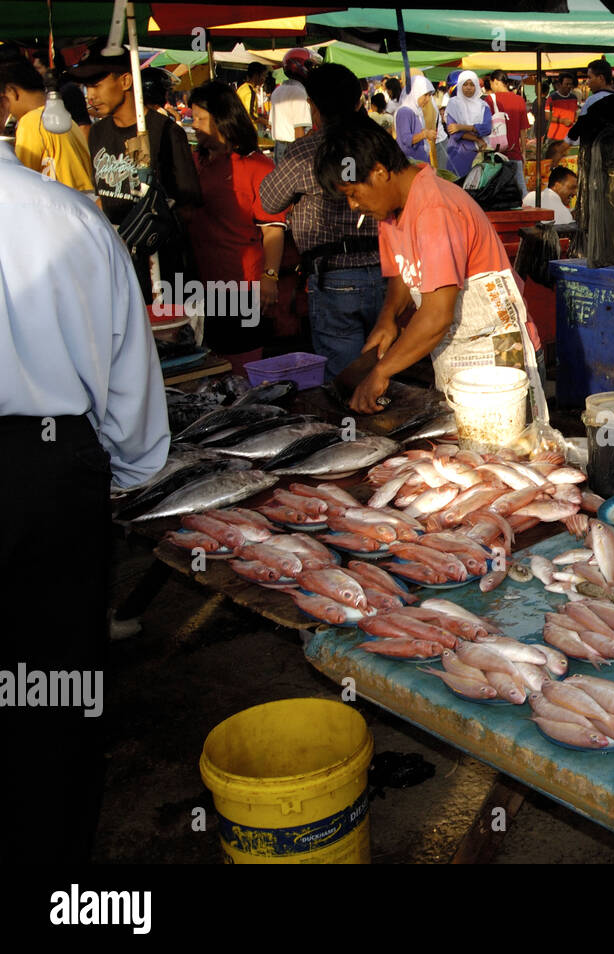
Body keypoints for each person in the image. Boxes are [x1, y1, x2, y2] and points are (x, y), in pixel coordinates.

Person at [0, 84, 169, 863]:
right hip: (46, 478)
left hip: (46, 467)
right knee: (52, 698)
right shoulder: (68, 218)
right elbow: (129, 376)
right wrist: (132, 465)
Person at [313, 119, 541, 415]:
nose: (353, 206)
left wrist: (381, 372)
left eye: (353, 193)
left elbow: (436, 316)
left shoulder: (435, 208)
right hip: (455, 353)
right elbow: (401, 271)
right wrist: (388, 317)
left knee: (503, 456)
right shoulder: (389, 211)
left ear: (379, 172)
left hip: (499, 358)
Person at [262, 63, 385, 380]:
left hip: (335, 277)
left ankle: (349, 430)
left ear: (313, 108)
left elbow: (269, 199)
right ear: (358, 103)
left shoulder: (305, 151)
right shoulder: (379, 143)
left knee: (345, 378)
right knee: (383, 369)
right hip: (386, 273)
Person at [72, 42, 202, 289]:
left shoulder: (165, 132)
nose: (90, 95)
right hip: (115, 264)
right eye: (87, 86)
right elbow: (104, 196)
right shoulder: (98, 132)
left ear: (125, 81)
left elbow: (187, 207)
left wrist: (149, 224)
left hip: (161, 270)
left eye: (96, 85)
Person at [188, 82, 287, 374]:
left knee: (241, 367)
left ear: (221, 120)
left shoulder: (258, 167)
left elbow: (273, 230)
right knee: (207, 366)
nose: (193, 126)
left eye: (199, 118)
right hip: (198, 283)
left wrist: (269, 277)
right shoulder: (195, 162)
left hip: (242, 285)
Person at [0, 55, 94, 196]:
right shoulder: (63, 118)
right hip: (80, 200)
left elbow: (21, 181)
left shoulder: (31, 122)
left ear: (12, 92)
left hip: (61, 204)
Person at [269, 48, 318, 164]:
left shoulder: (278, 90)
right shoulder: (300, 93)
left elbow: (272, 124)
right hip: (293, 148)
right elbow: (299, 131)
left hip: (279, 145)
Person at [485, 69, 529, 197]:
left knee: (496, 192)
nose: (491, 86)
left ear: (496, 82)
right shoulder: (519, 100)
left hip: (495, 154)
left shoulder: (489, 100)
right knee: (521, 192)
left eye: (491, 83)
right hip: (515, 153)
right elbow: (523, 130)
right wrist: (523, 152)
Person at [443, 71, 493, 180]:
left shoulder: (483, 105)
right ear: (460, 85)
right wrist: (477, 138)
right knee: (456, 188)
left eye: (472, 84)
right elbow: (454, 131)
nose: (468, 87)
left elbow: (487, 128)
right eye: (465, 84)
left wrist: (462, 127)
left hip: (478, 154)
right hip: (457, 153)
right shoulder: (453, 104)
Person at [394, 74, 446, 168]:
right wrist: (424, 134)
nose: (427, 99)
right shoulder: (405, 111)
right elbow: (406, 139)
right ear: (415, 93)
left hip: (419, 161)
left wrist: (425, 133)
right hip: (411, 163)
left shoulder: (416, 111)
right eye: (425, 95)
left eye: (429, 95)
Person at [545, 73, 580, 151]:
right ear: (560, 84)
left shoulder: (574, 98)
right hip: (555, 137)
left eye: (570, 84)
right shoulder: (552, 98)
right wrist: (562, 121)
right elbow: (547, 116)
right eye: (566, 84)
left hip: (570, 138)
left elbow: (574, 114)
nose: (569, 87)